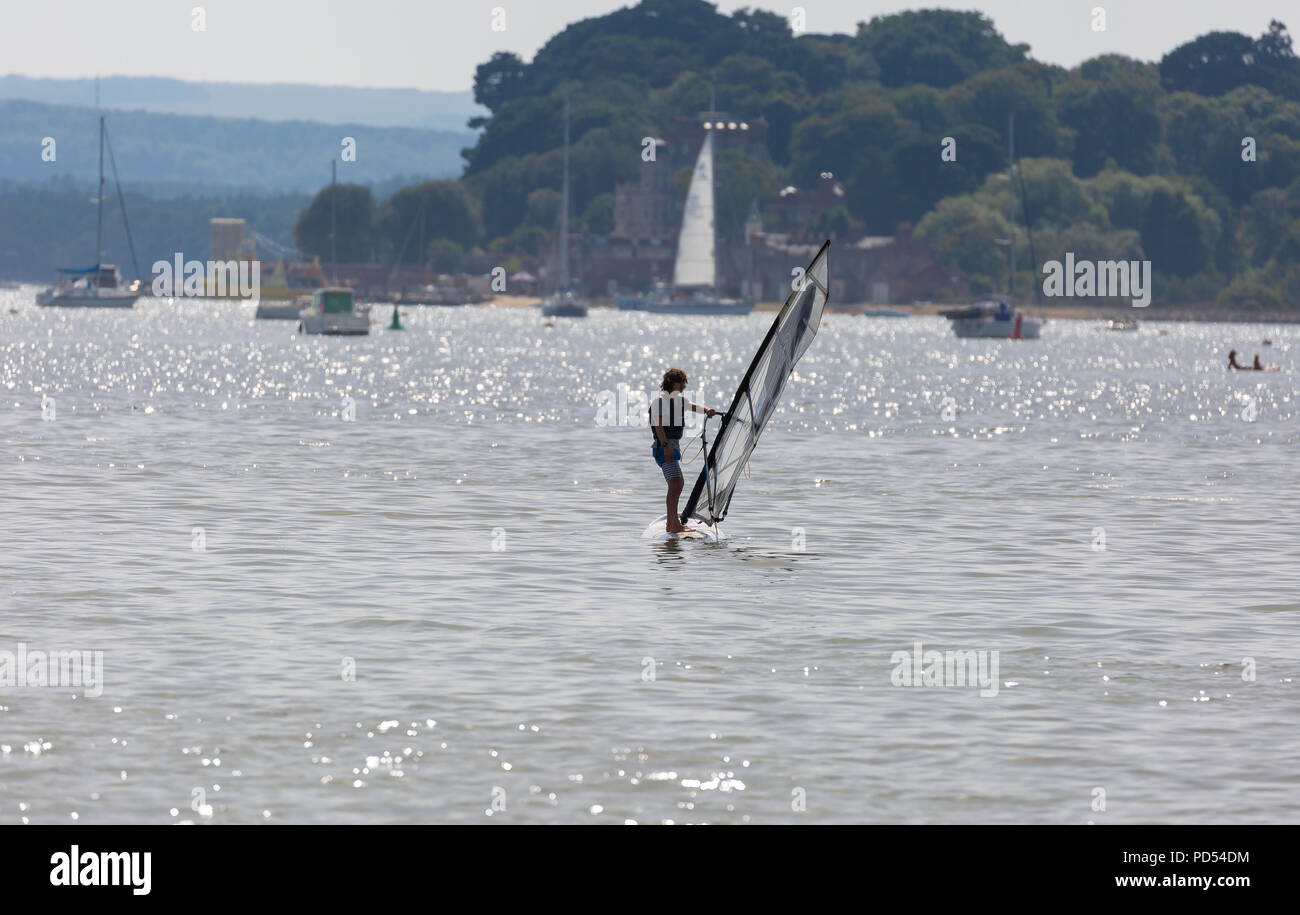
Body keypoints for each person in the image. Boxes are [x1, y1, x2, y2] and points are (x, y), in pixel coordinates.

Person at [650, 368, 717, 534]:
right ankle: (674, 525)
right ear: (673, 383)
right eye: (681, 383)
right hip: (663, 447)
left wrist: (707, 410)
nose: (683, 387)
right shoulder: (660, 401)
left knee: (676, 485)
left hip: (672, 447)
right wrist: (666, 447)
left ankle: (671, 524)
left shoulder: (678, 400)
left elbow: (693, 406)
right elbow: (658, 426)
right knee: (676, 485)